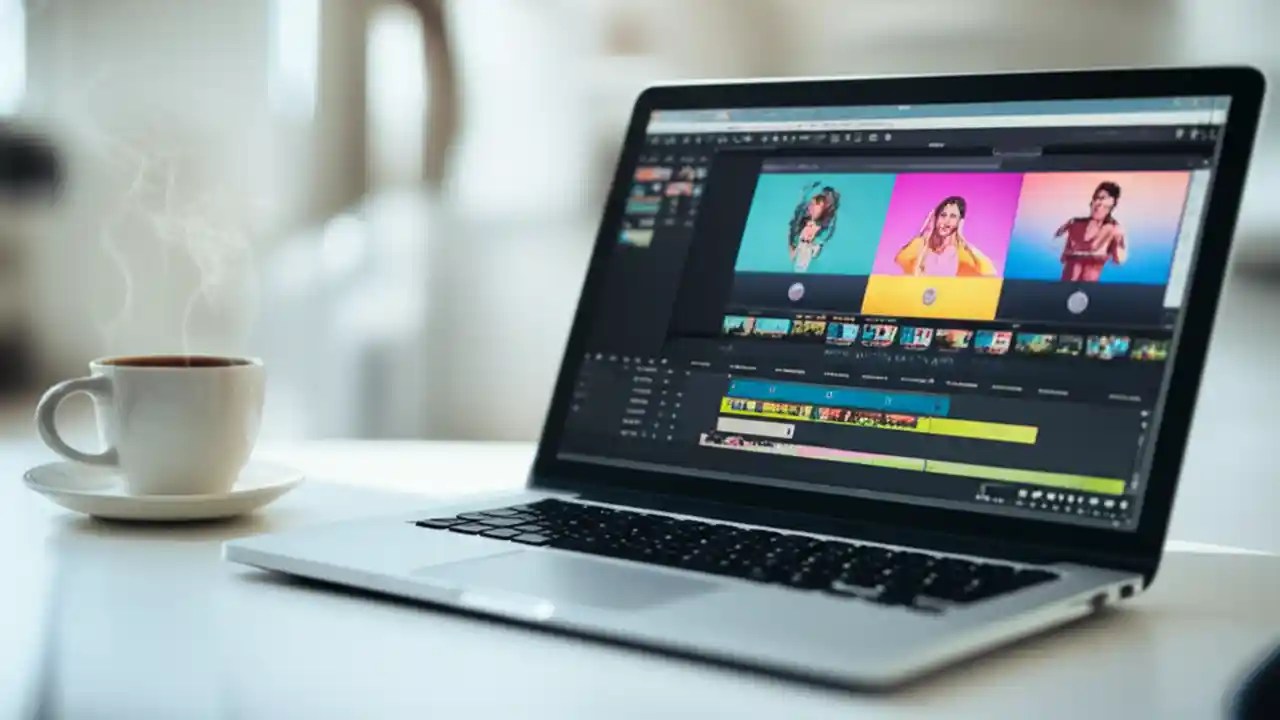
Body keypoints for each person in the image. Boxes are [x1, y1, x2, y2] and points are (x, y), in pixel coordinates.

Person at [893, 196, 996, 277]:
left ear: (960, 222)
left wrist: (962, 239)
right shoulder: (922, 246)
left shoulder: (962, 251)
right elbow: (901, 259)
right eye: (943, 215)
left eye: (953, 216)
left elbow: (989, 270)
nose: (946, 221)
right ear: (935, 218)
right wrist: (924, 232)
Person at [1054, 181, 1127, 282]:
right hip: (1065, 287)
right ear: (1091, 202)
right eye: (1097, 199)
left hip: (1090, 290)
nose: (1098, 205)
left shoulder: (1113, 230)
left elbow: (1119, 260)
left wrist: (1119, 240)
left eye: (1104, 203)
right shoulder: (1074, 224)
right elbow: (1059, 254)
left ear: (1112, 206)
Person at [788, 184, 840, 272]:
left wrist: (815, 242)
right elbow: (791, 229)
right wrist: (792, 246)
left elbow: (825, 236)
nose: (810, 207)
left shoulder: (827, 226)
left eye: (815, 205)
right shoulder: (802, 215)